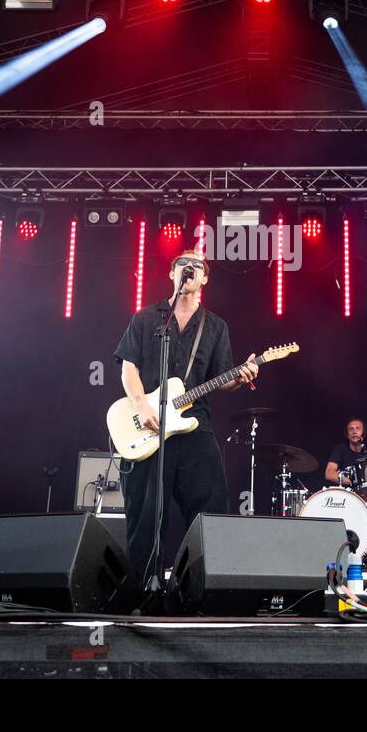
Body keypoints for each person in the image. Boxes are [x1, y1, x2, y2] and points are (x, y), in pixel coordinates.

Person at [114, 249, 257, 592]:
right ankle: (142, 590)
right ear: (172, 274)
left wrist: (243, 375)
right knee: (145, 513)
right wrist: (141, 405)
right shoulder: (147, 318)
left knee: (210, 508)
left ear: (205, 278)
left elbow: (224, 379)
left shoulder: (215, 326)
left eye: (197, 266)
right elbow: (128, 366)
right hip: (149, 429)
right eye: (182, 264)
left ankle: (200, 590)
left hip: (195, 427)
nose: (189, 269)